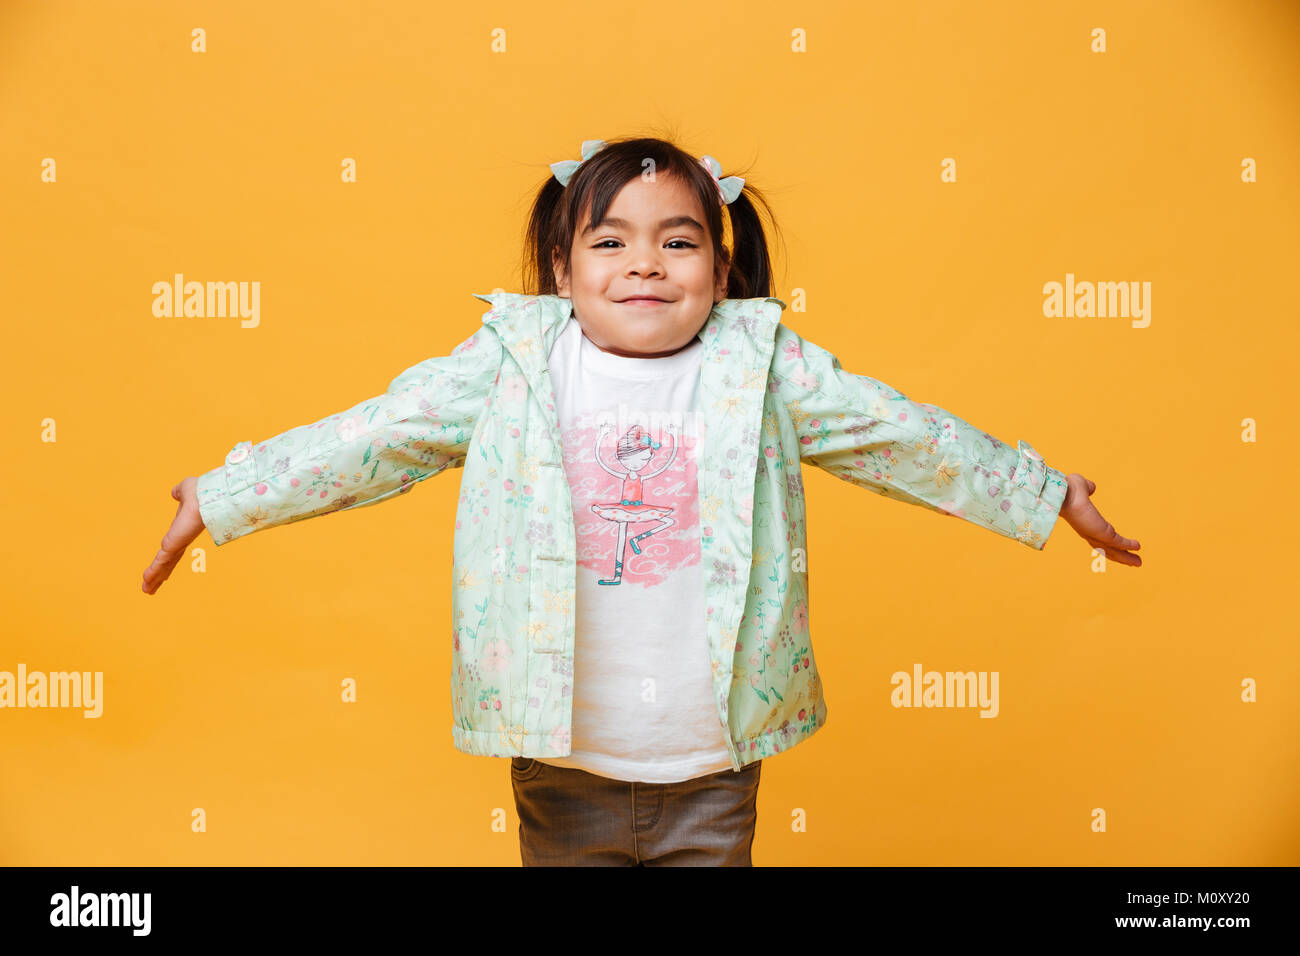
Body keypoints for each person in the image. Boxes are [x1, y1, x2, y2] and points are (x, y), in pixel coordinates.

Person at [140, 136, 1142, 866]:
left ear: (721, 267)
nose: (645, 264)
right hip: (563, 751)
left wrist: (1042, 490)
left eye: (678, 241)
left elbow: (897, 434)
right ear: (560, 270)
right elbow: (369, 437)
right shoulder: (512, 365)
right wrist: (225, 494)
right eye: (609, 242)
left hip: (713, 752)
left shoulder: (764, 368)